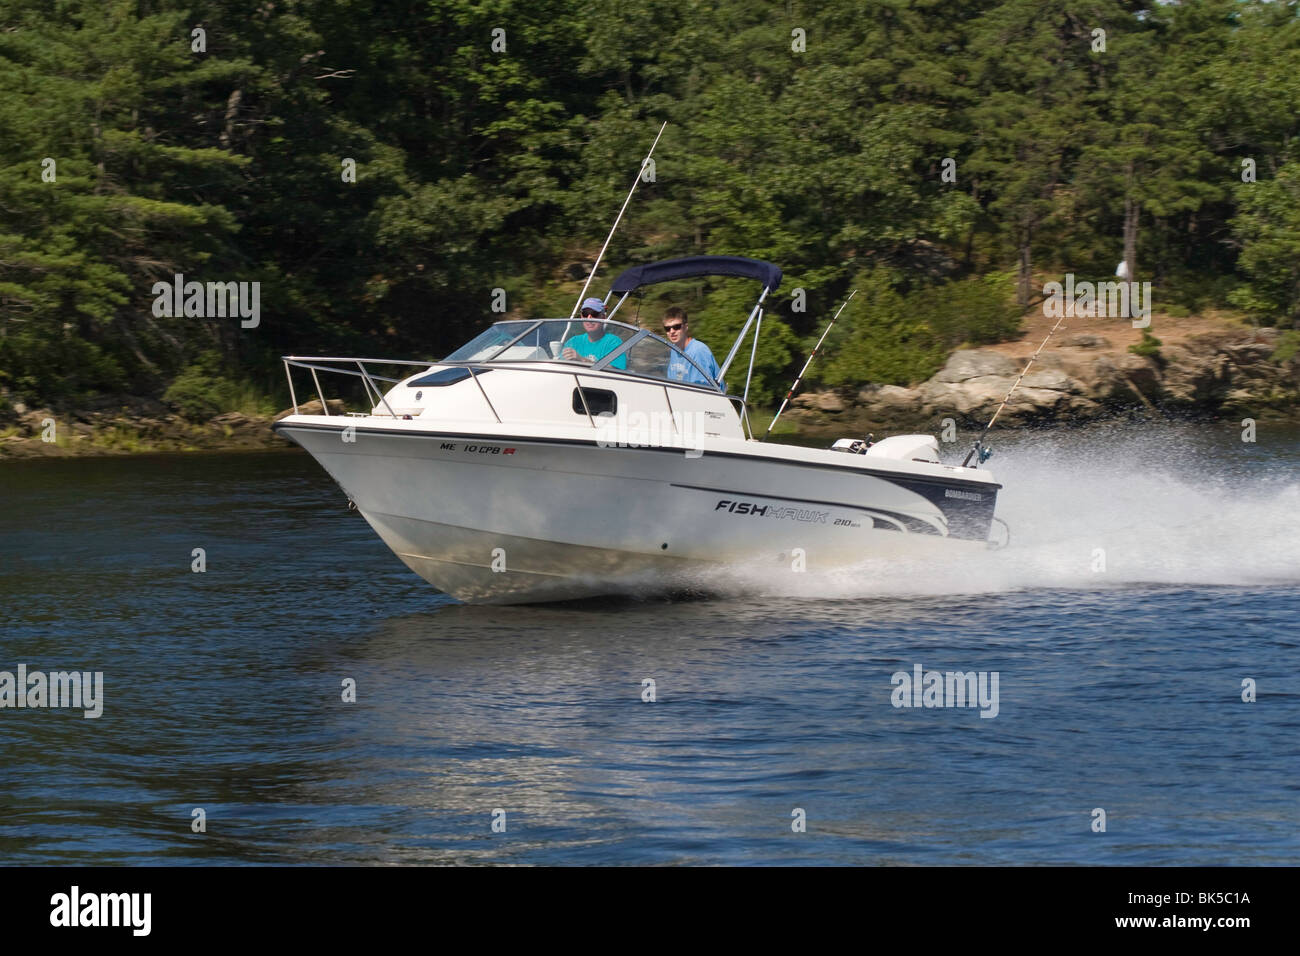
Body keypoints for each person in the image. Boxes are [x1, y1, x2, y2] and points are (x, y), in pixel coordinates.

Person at [661, 307, 722, 388]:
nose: (672, 331)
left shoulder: (698, 351)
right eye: (667, 329)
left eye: (676, 327)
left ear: (686, 327)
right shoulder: (674, 350)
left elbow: (703, 389)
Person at [562, 298, 627, 369]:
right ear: (581, 317)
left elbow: (616, 370)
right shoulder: (573, 341)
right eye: (585, 313)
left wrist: (582, 360)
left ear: (603, 318)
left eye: (594, 314)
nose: (589, 318)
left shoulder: (613, 342)